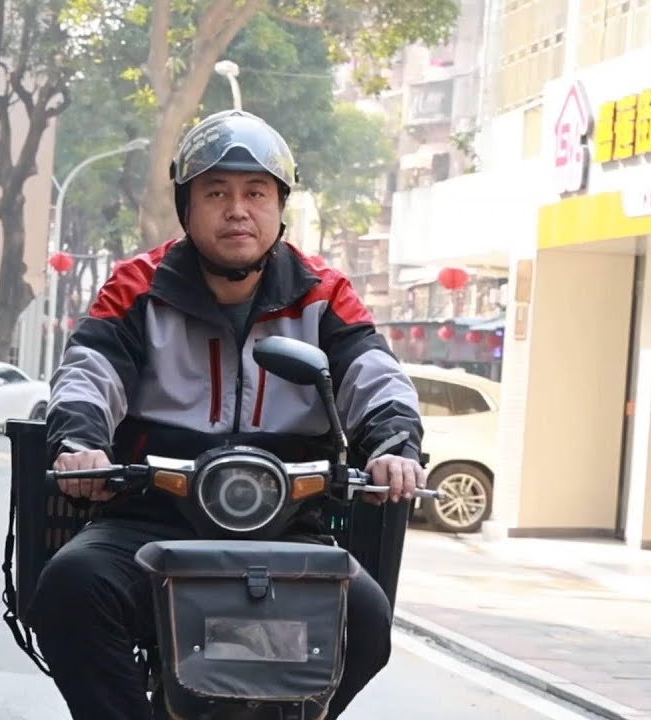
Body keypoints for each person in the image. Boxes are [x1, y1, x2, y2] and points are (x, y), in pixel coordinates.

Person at [32, 110, 426, 720]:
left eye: (255, 192)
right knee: (71, 587)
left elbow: (374, 376)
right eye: (216, 192)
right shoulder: (139, 285)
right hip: (151, 520)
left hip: (288, 525)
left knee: (367, 621)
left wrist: (394, 444)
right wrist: (80, 441)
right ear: (187, 208)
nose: (237, 209)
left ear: (280, 205)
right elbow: (90, 369)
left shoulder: (324, 293)